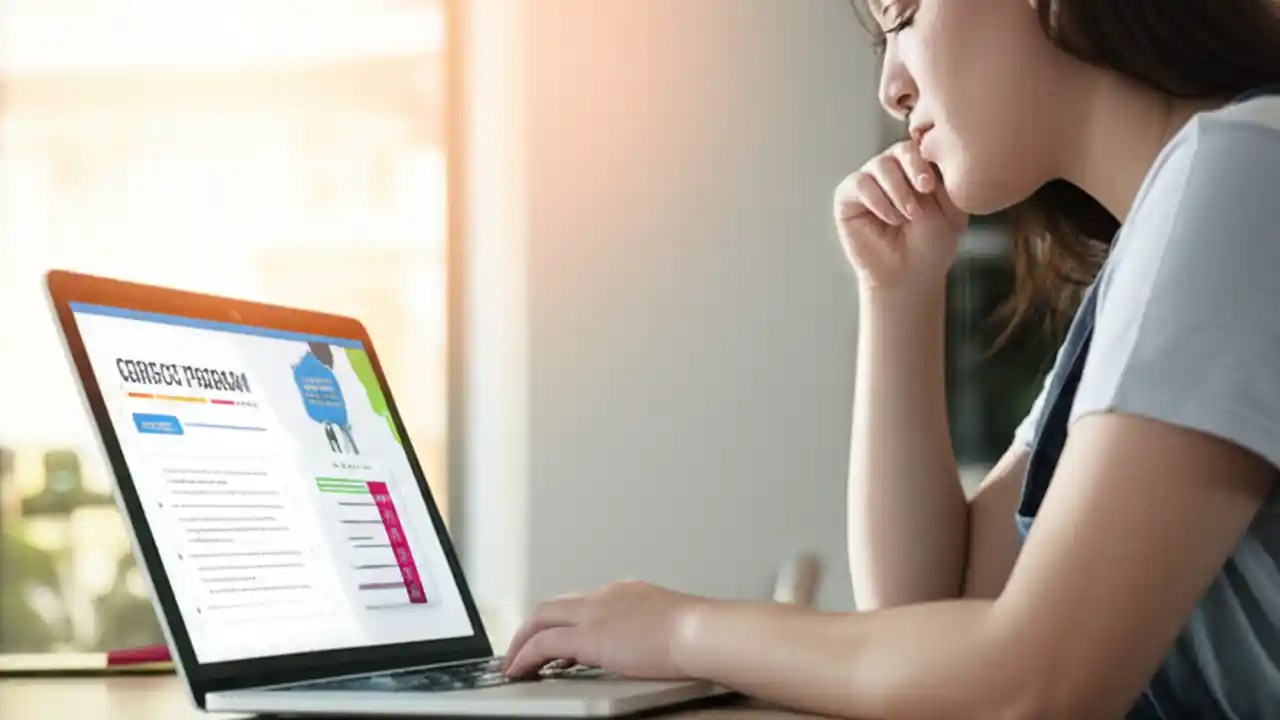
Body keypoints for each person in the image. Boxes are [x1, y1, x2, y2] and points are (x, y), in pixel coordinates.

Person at [501, 2, 1280, 718]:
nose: (892, 88)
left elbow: (1033, 682)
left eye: (903, 13)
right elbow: (931, 620)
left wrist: (681, 630)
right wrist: (899, 295)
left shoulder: (1242, 170)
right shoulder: (1163, 245)